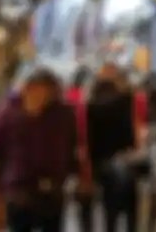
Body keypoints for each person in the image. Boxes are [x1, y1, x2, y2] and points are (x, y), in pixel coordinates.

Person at [0, 68, 78, 232]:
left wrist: (71, 175)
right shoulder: (8, 114)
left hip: (52, 189)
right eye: (35, 89)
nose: (40, 96)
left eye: (45, 90)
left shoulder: (63, 115)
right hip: (18, 190)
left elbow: (71, 146)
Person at [87, 64, 138, 232]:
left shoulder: (92, 102)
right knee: (130, 206)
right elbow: (128, 129)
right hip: (122, 157)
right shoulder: (123, 99)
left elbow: (89, 135)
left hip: (101, 160)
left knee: (109, 207)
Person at [66, 68, 94, 232]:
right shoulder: (83, 102)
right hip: (83, 155)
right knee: (85, 202)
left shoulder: (67, 99)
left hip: (68, 155)